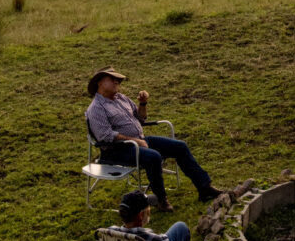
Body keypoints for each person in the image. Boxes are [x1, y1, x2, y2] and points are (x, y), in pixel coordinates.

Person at [85, 67, 216, 210]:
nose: (116, 82)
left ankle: (204, 188)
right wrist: (137, 141)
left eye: (117, 79)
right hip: (116, 150)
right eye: (112, 79)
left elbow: (141, 118)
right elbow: (106, 136)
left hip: (139, 141)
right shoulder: (96, 108)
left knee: (180, 146)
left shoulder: (121, 98)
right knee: (153, 157)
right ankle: (161, 199)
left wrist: (143, 103)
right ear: (100, 83)